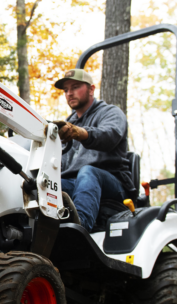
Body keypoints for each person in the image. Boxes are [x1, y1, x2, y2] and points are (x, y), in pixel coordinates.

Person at [54, 68, 133, 230]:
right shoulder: (66, 124)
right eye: (66, 90)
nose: (69, 93)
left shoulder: (111, 113)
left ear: (91, 89)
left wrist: (81, 133)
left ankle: (78, 229)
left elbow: (109, 135)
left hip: (112, 184)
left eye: (75, 87)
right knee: (48, 185)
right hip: (75, 183)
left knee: (88, 172)